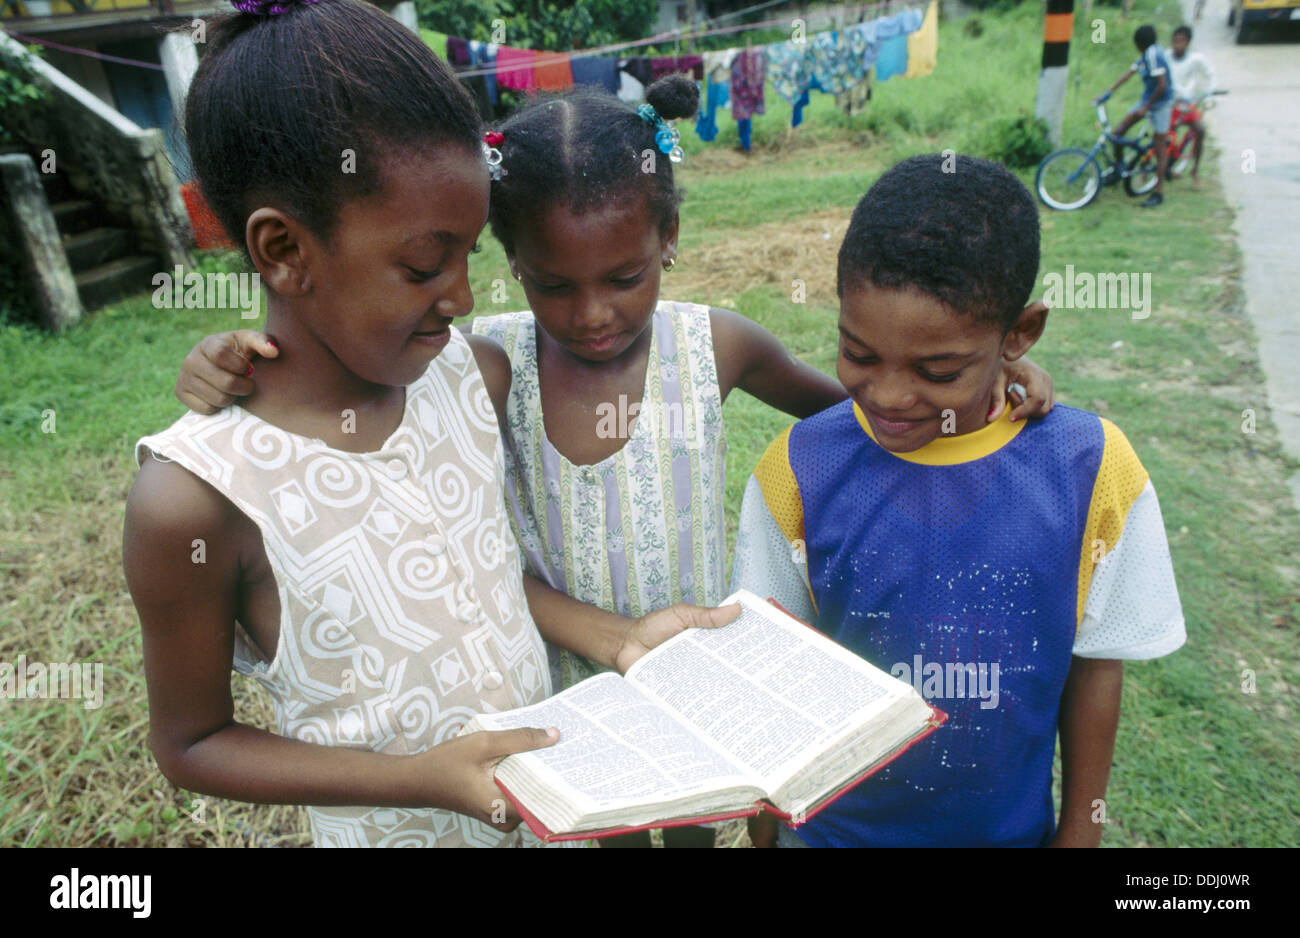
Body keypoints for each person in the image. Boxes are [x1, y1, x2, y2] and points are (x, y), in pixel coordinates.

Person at [173, 77, 1058, 847]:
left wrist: (984, 385)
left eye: (624, 276)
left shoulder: (717, 347)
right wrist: (227, 355)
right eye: (555, 285)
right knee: (603, 825)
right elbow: (344, 392)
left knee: (693, 820)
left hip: (697, 666)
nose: (593, 313)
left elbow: (868, 408)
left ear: (667, 236)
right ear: (513, 262)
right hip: (569, 675)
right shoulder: (487, 364)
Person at [123, 0, 738, 850]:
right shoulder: (197, 499)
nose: (461, 298)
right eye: (422, 265)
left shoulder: (465, 377)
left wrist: (620, 638)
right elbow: (191, 744)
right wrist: (421, 779)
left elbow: (474, 585)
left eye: (469, 256)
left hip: (557, 821)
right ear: (282, 251)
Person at [732, 154, 1186, 848]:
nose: (887, 394)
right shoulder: (798, 472)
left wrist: (1080, 832)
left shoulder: (1093, 471)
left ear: (1019, 337)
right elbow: (773, 679)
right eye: (857, 354)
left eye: (936, 371)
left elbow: (1097, 665)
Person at [1093, 24, 1174, 208]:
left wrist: (1146, 107)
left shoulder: (1154, 55)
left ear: (1139, 44)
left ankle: (1158, 191)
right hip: (1147, 99)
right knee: (1118, 133)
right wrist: (1108, 93)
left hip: (1161, 104)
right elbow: (1128, 74)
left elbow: (1162, 85)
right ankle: (1118, 169)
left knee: (1160, 146)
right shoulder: (1147, 54)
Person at [1168, 24, 1216, 187]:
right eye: (1175, 41)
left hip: (1187, 106)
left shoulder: (1195, 59)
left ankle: (1194, 170)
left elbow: (1210, 73)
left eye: (1181, 41)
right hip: (1170, 105)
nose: (1177, 45)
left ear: (1188, 42)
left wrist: (1210, 93)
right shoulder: (1167, 57)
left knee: (1200, 131)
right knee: (1164, 137)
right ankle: (1149, 169)